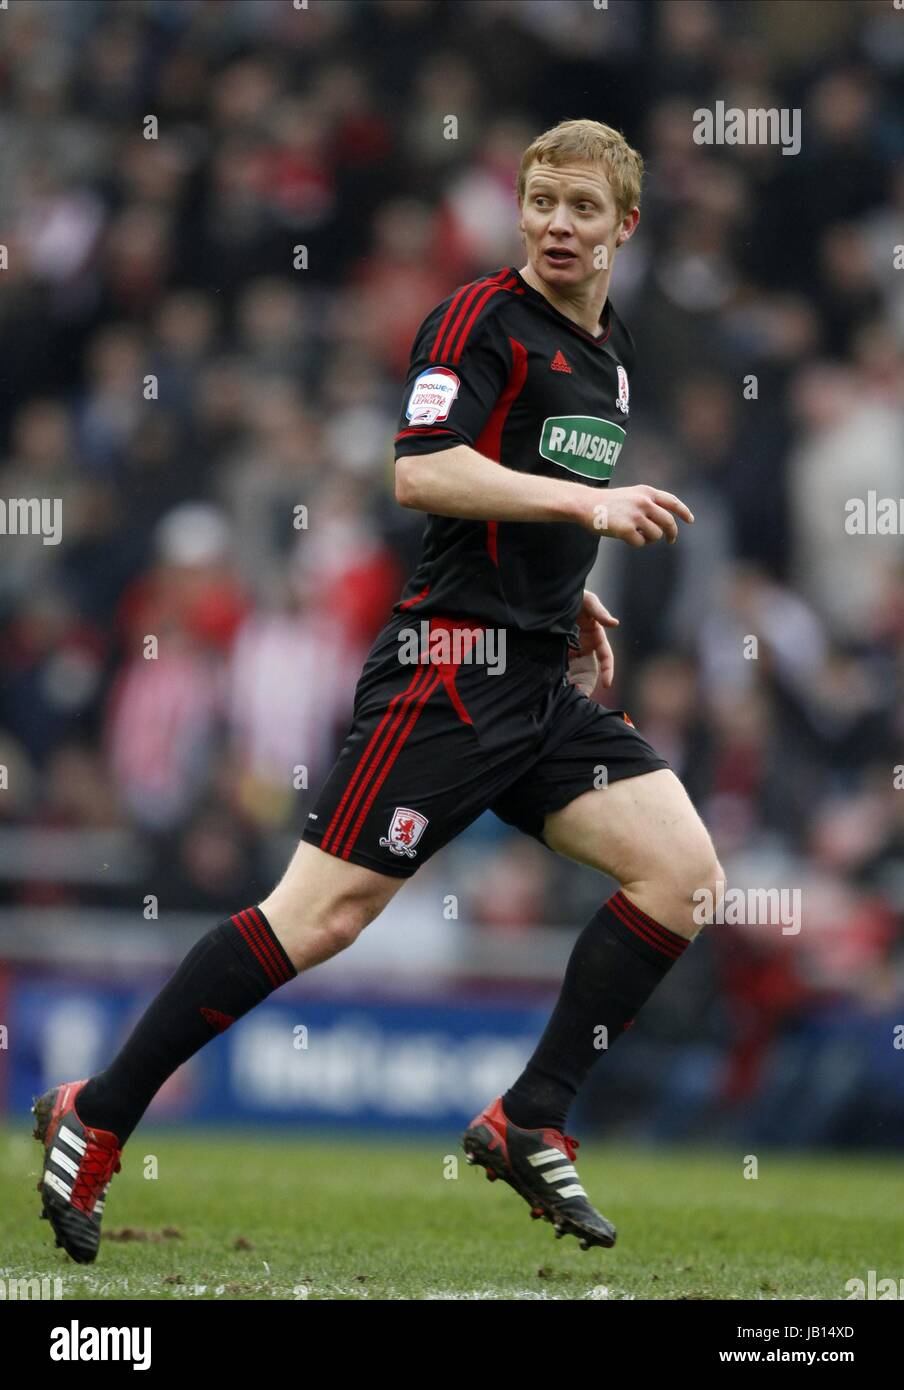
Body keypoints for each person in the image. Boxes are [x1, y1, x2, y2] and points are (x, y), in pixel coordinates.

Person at [34, 119, 724, 1262]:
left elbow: (535, 483)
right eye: (541, 200)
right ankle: (95, 1113)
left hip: (540, 674)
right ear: (518, 209)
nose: (558, 223)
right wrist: (585, 514)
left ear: (625, 228)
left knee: (683, 876)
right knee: (322, 917)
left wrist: (572, 587)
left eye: (583, 208)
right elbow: (422, 469)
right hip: (447, 670)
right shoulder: (476, 317)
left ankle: (529, 1115)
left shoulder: (613, 349)